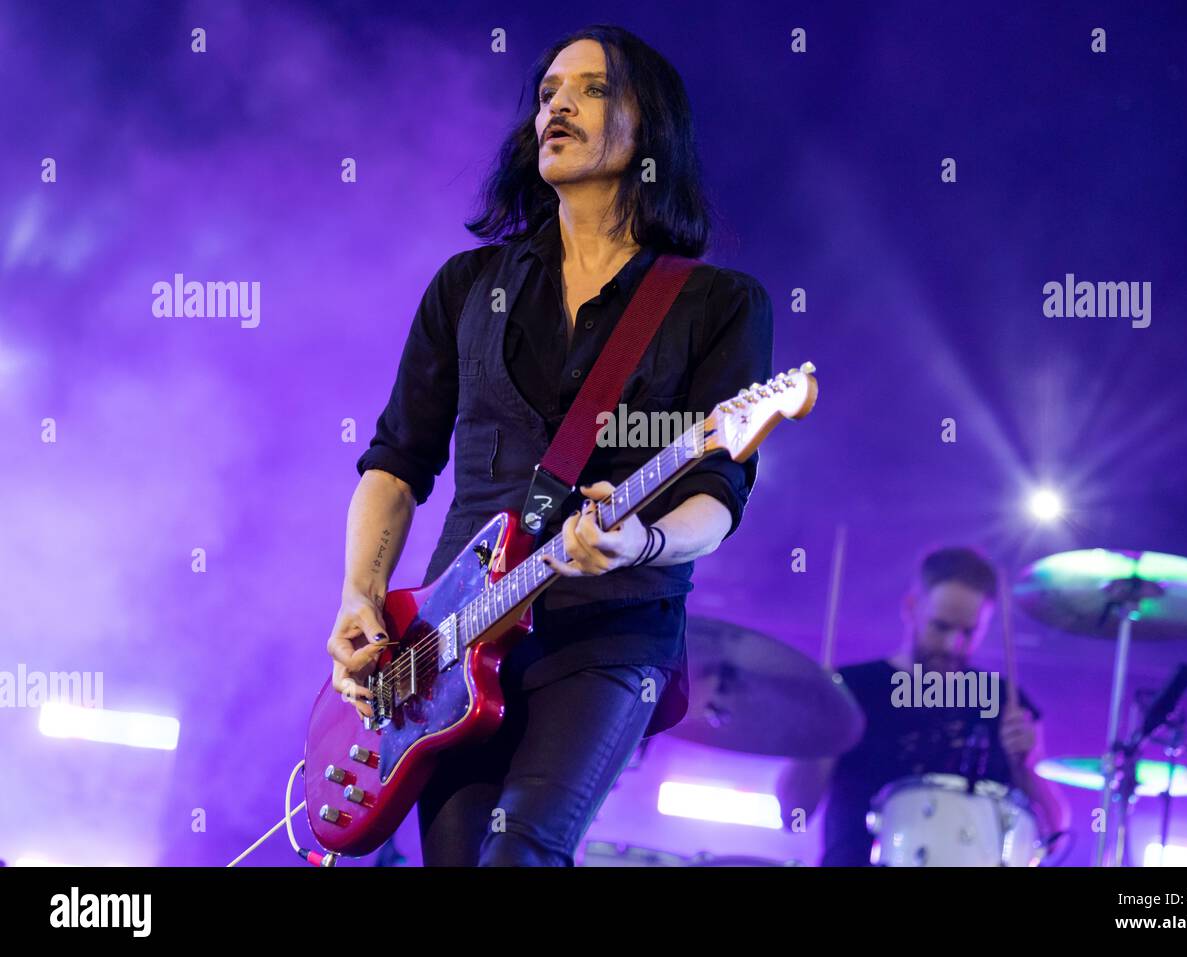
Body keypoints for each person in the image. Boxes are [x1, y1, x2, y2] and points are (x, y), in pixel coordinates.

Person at [325, 24, 773, 866]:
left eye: (593, 89)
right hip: (448, 643)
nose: (557, 106)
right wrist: (360, 593)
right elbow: (395, 460)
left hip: (608, 632)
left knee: (522, 847)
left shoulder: (717, 304)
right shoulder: (469, 286)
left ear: (652, 131)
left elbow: (718, 492)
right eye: (546, 93)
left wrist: (640, 538)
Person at [776, 546, 1070, 866]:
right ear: (911, 608)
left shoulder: (1005, 701)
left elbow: (1055, 834)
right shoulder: (848, 689)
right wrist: (818, 742)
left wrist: (1027, 769)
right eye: (941, 627)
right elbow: (794, 815)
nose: (952, 645)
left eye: (968, 632)